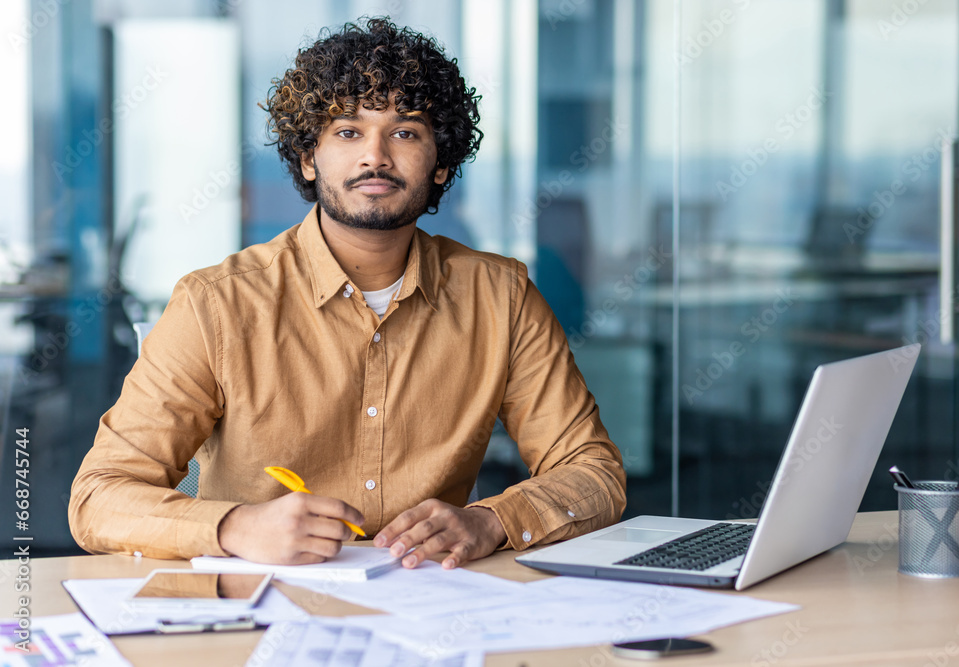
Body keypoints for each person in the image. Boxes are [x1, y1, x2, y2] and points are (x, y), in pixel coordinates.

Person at [69, 17, 625, 570]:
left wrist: (491, 521)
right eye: (348, 131)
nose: (375, 157)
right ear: (309, 158)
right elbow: (99, 496)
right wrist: (236, 526)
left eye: (405, 132)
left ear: (441, 165)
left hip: (433, 610)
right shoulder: (216, 305)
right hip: (262, 610)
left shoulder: (501, 297)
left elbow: (593, 473)